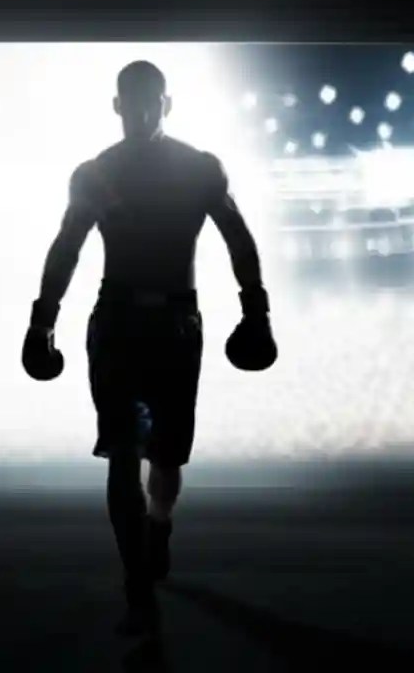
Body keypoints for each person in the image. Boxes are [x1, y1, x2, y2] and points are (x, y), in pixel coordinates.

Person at [21, 60, 278, 636]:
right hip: (119, 325)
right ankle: (135, 576)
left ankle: (157, 525)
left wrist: (257, 311)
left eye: (150, 102)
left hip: (174, 328)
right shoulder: (96, 174)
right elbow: (65, 248)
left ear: (167, 104)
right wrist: (42, 322)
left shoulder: (198, 169)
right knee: (122, 451)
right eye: (130, 103)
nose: (139, 113)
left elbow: (238, 238)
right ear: (116, 106)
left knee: (164, 457)